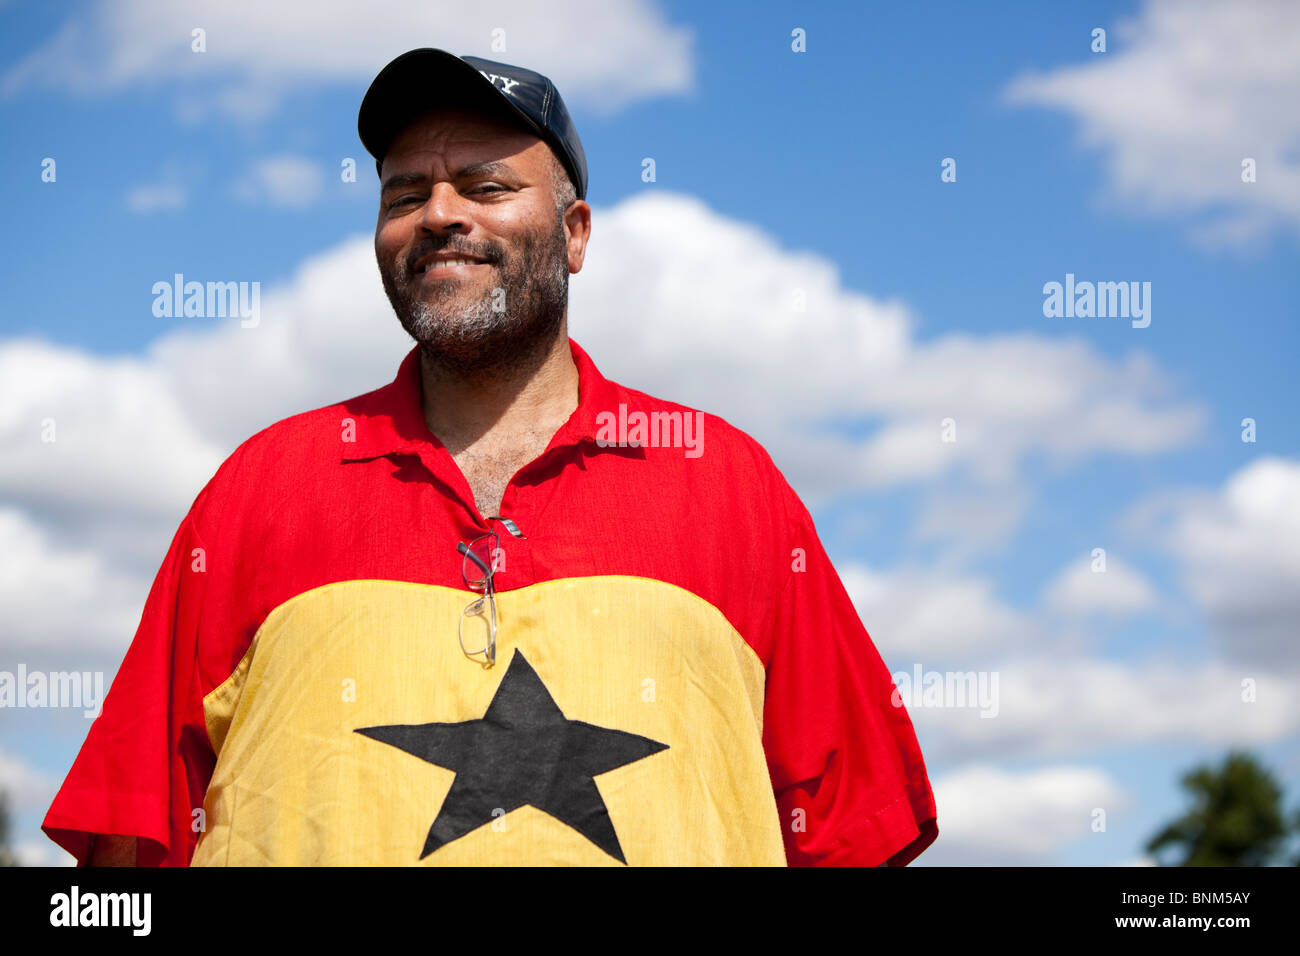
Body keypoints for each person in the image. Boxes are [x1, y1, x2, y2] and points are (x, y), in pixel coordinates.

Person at [43, 48, 938, 866]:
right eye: (405, 195)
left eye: (485, 186)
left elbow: (853, 831)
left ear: (576, 233)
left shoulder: (730, 484)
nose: (438, 215)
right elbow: (132, 842)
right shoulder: (257, 491)